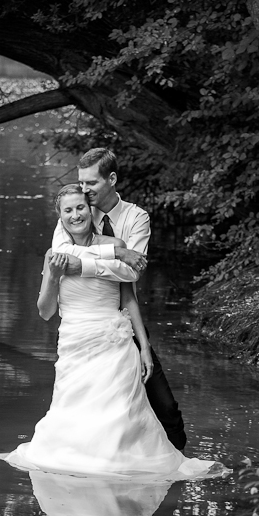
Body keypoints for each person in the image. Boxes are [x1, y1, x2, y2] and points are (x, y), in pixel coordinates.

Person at [0, 184, 228, 480]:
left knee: (119, 416)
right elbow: (45, 311)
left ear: (91, 209)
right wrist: (53, 277)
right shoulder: (54, 254)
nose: (75, 215)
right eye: (68, 210)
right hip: (75, 344)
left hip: (114, 342)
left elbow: (129, 299)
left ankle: (120, 475)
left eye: (80, 207)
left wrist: (144, 347)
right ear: (60, 216)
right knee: (75, 414)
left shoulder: (116, 245)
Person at [52, 147, 187, 451]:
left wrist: (88, 264)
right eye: (81, 183)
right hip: (85, 330)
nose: (84, 192)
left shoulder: (136, 217)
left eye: (91, 184)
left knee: (166, 407)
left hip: (124, 322)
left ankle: (173, 467)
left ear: (111, 179)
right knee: (90, 413)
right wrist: (117, 251)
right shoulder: (73, 213)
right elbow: (63, 256)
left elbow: (131, 274)